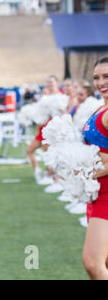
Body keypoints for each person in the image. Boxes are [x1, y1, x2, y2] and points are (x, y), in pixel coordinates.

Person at [81, 57, 108, 279]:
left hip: (107, 194)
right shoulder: (101, 107)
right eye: (97, 77)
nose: (100, 82)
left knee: (93, 262)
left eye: (106, 76)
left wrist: (88, 171)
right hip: (96, 192)